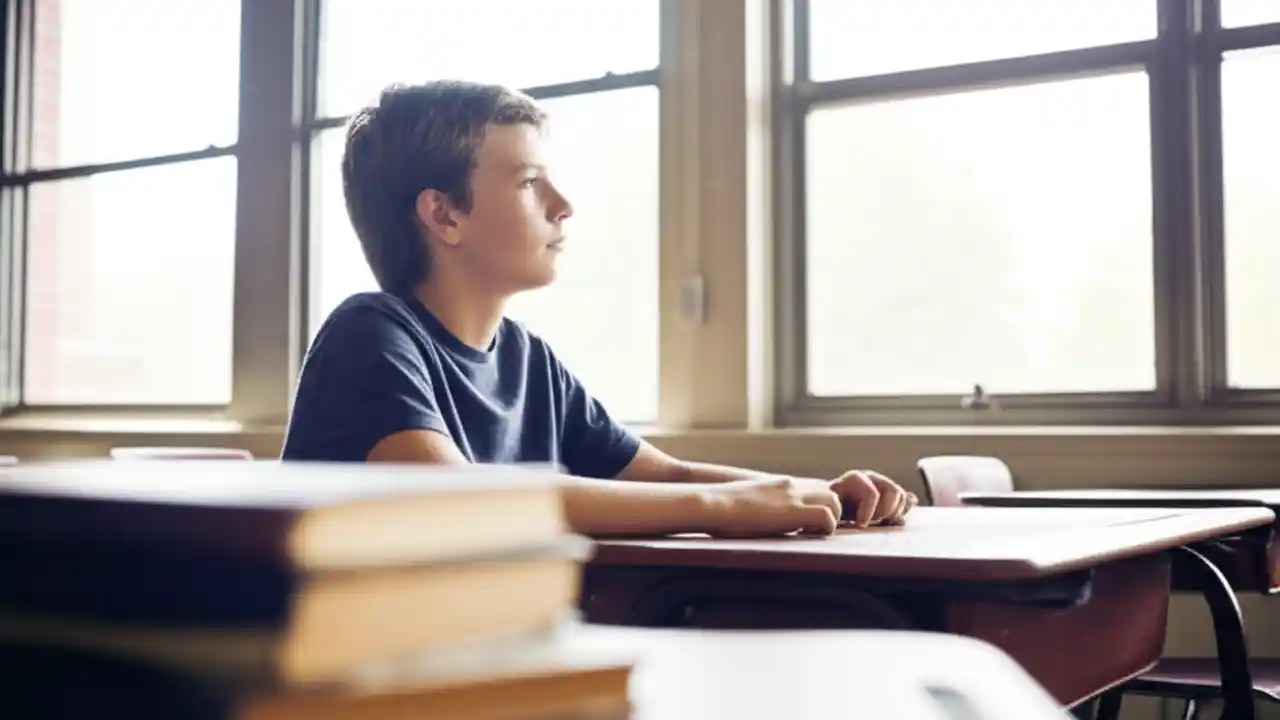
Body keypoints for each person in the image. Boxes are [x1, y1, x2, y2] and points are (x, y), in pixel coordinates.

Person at [282, 80, 917, 536]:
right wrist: (723, 510)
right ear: (444, 213)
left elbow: (664, 478)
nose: (563, 204)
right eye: (531, 183)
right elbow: (458, 497)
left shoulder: (529, 359)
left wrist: (821, 494)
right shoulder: (369, 335)